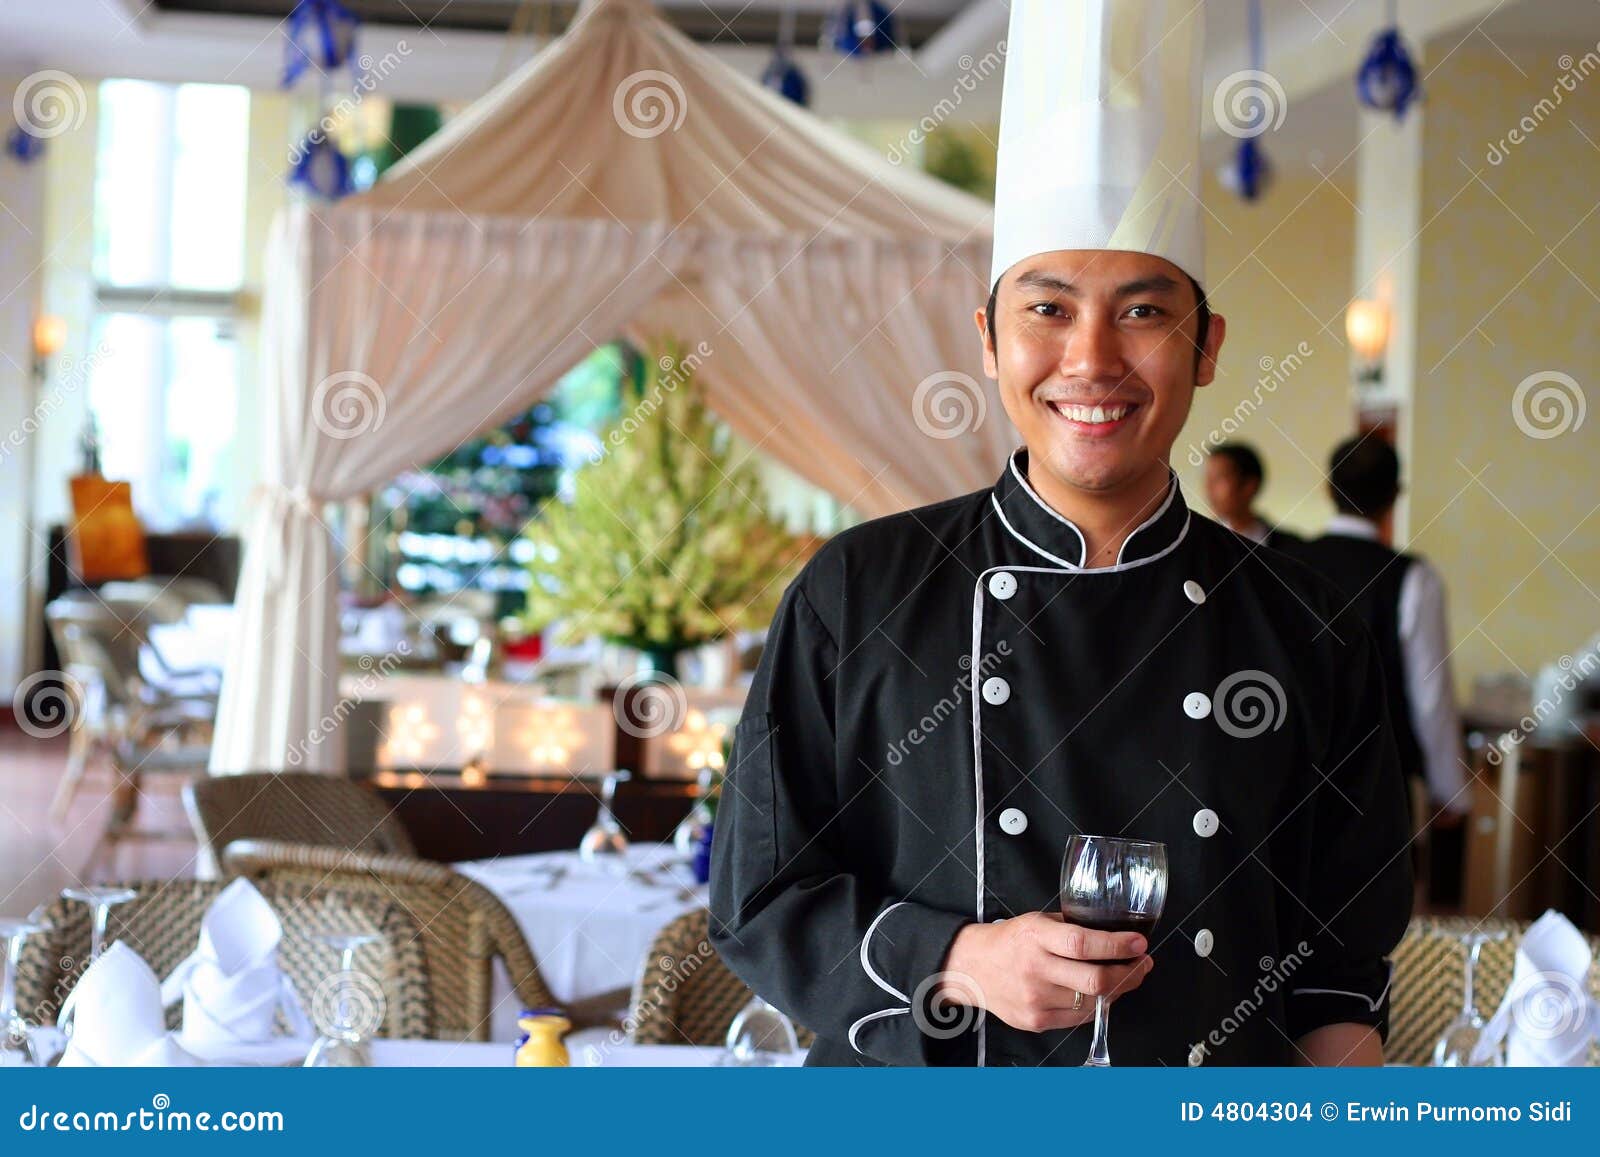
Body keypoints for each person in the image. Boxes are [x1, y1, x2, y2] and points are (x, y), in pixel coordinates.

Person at [710, 0, 1412, 1067]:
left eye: (1142, 311)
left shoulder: (1307, 618)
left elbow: (1339, 954)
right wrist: (954, 958)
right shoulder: (860, 589)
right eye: (1046, 310)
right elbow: (756, 894)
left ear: (1207, 344)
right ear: (989, 340)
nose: (1091, 360)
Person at [1286, 436, 1473, 835]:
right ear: (1396, 495)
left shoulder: (1282, 565)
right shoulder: (1412, 578)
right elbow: (1431, 694)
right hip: (1376, 788)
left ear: (1328, 489)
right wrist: (1449, 791)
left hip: (1284, 783)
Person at [1203, 442, 1300, 548]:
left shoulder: (1291, 549)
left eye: (1219, 479)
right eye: (1208, 479)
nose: (1208, 488)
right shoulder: (1199, 545)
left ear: (1249, 486)